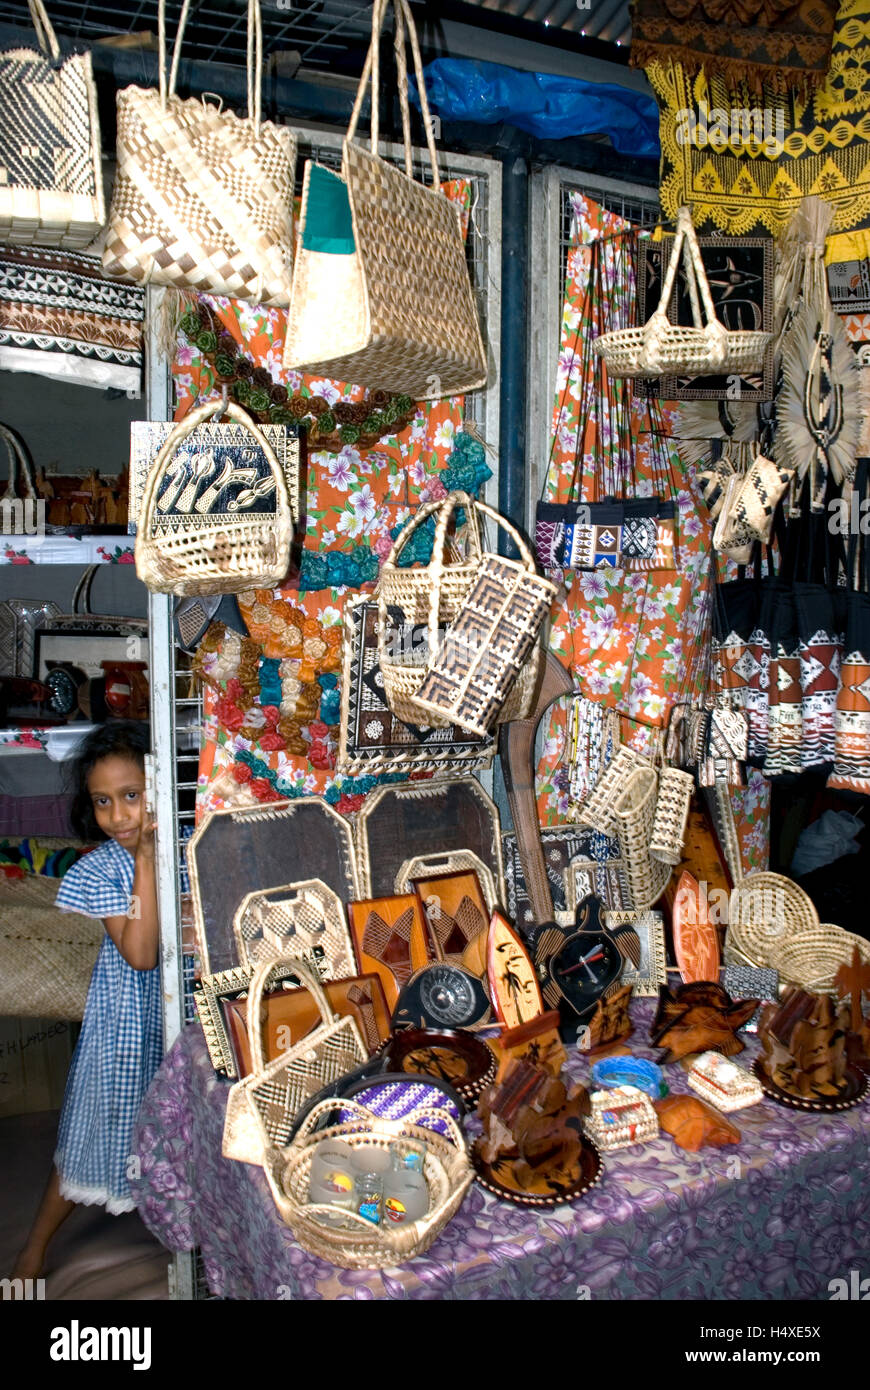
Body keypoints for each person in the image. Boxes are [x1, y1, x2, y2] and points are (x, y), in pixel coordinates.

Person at [12, 721, 162, 1280]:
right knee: (92, 1129)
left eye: (132, 796)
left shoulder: (193, 842)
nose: (119, 816)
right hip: (125, 1021)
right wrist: (146, 860)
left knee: (178, 1127)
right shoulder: (102, 868)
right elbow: (141, 952)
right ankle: (34, 1251)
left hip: (184, 1021)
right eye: (104, 801)